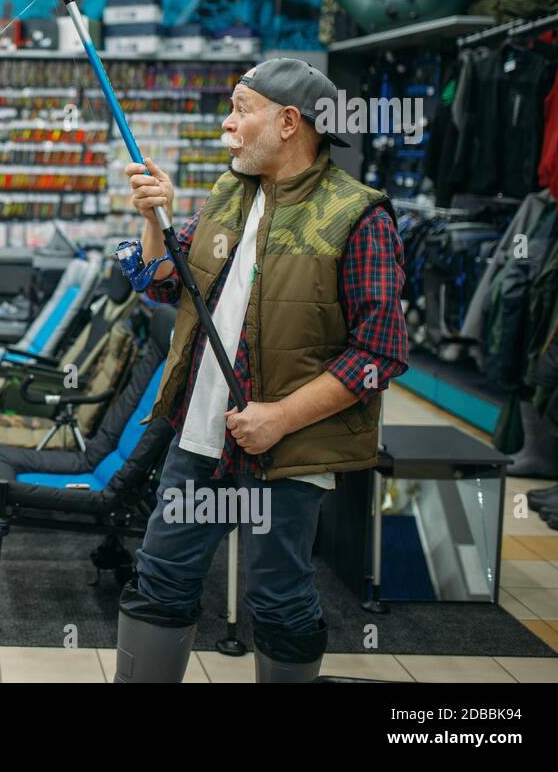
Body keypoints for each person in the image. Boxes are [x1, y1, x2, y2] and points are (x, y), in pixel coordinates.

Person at [116, 58, 409, 682]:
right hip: (200, 438)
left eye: (240, 108)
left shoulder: (356, 215)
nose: (228, 123)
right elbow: (166, 285)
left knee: (277, 595)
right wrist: (153, 219)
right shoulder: (230, 193)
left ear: (287, 122)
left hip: (289, 452)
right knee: (160, 578)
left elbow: (379, 351)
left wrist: (279, 417)